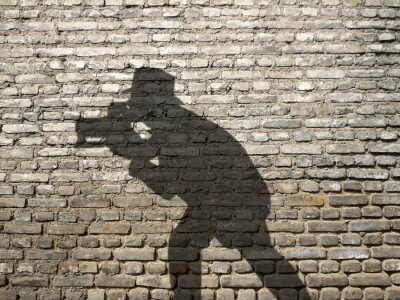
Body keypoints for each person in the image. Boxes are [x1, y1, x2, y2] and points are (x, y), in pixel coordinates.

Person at [77, 67, 310, 299]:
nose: (133, 106)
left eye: (138, 101)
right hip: (225, 198)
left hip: (231, 199)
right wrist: (129, 145)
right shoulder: (174, 126)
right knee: (246, 253)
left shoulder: (176, 130)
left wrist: (135, 159)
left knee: (199, 247)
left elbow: (169, 187)